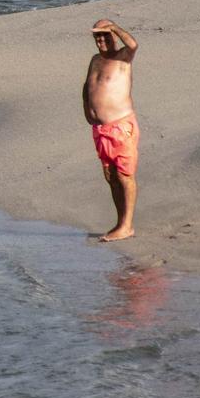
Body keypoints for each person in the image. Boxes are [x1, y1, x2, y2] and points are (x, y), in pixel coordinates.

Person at [84, 18, 139, 242]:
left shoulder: (123, 58)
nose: (101, 40)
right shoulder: (95, 60)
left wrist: (114, 26)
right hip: (100, 129)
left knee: (125, 175)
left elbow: (134, 45)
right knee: (111, 176)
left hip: (120, 126)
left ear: (113, 37)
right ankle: (120, 223)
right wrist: (86, 110)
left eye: (105, 35)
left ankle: (127, 226)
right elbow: (86, 86)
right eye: (97, 36)